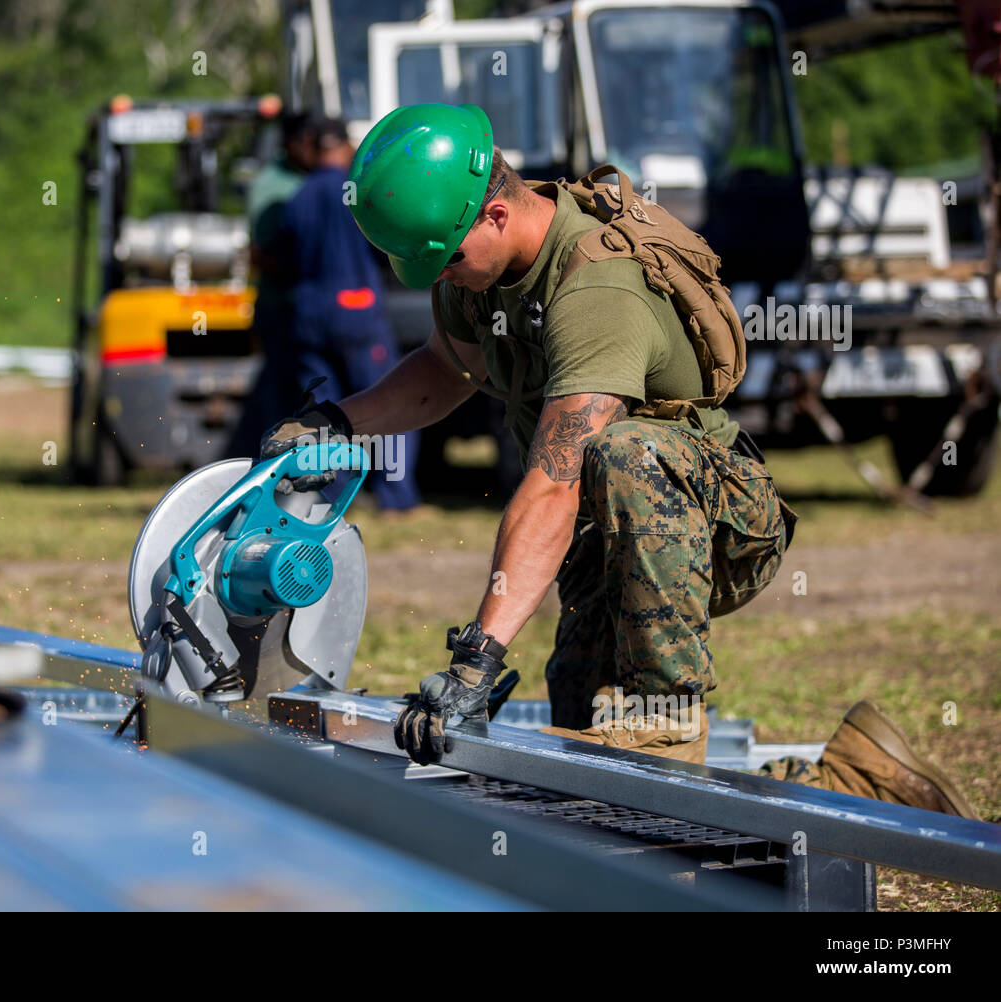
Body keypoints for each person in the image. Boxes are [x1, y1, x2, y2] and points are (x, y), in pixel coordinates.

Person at [260, 102, 980, 819]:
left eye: (447, 259)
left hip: (710, 519)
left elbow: (555, 481)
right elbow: (446, 372)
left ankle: (668, 715)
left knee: (624, 453)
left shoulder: (595, 287)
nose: (442, 281)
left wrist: (476, 660)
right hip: (608, 542)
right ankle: (865, 778)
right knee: (588, 772)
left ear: (497, 216)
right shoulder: (477, 274)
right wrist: (338, 421)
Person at [273, 117, 421, 513]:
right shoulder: (359, 194)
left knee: (323, 410)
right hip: (357, 311)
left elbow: (281, 259)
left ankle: (328, 499)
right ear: (345, 146)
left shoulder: (298, 197)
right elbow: (387, 249)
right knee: (388, 399)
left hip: (308, 315)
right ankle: (396, 498)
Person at [225, 112, 318, 459]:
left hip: (299, 304)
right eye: (311, 143)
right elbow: (261, 253)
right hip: (281, 307)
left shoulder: (309, 179)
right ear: (292, 144)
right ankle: (269, 466)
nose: (317, 150)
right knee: (280, 396)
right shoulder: (271, 186)